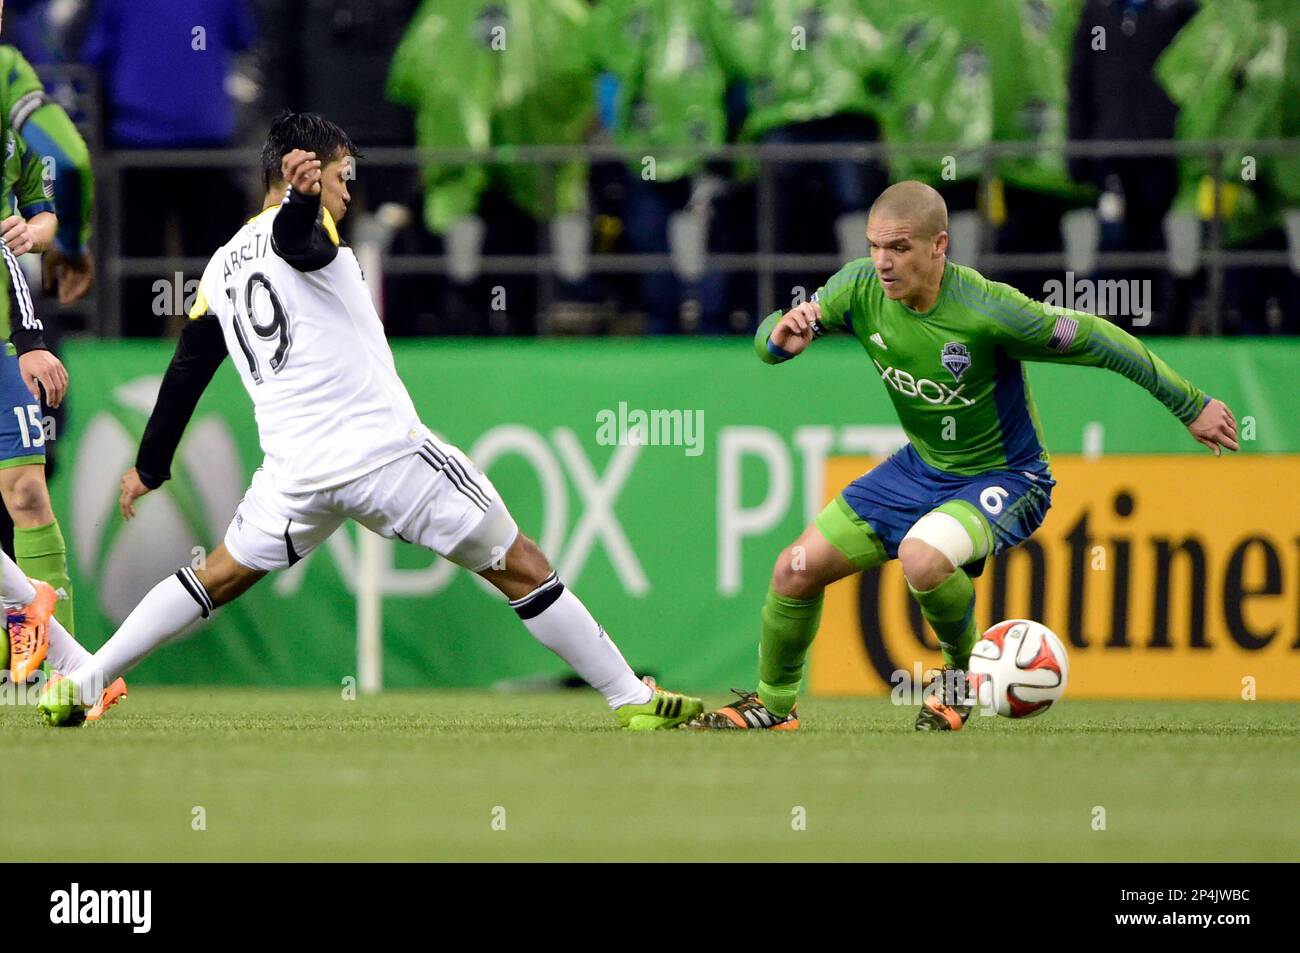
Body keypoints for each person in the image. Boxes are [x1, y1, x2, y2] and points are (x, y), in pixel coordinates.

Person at [38, 112, 701, 730]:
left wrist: (151, 466)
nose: (348, 192)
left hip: (295, 476)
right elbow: (295, 241)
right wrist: (301, 203)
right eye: (340, 175)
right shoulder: (306, 224)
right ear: (303, 170)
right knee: (522, 565)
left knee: (216, 577)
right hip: (384, 456)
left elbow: (186, 370)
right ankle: (632, 699)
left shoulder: (219, 266)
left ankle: (89, 677)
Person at [689, 180, 1237, 732]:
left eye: (899, 248)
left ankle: (958, 676)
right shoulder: (857, 287)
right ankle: (773, 706)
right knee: (793, 569)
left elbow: (1097, 338)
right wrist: (779, 337)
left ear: (939, 246)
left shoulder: (988, 310)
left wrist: (1190, 403)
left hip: (1008, 475)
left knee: (922, 557)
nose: (882, 261)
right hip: (920, 468)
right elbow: (767, 345)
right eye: (874, 246)